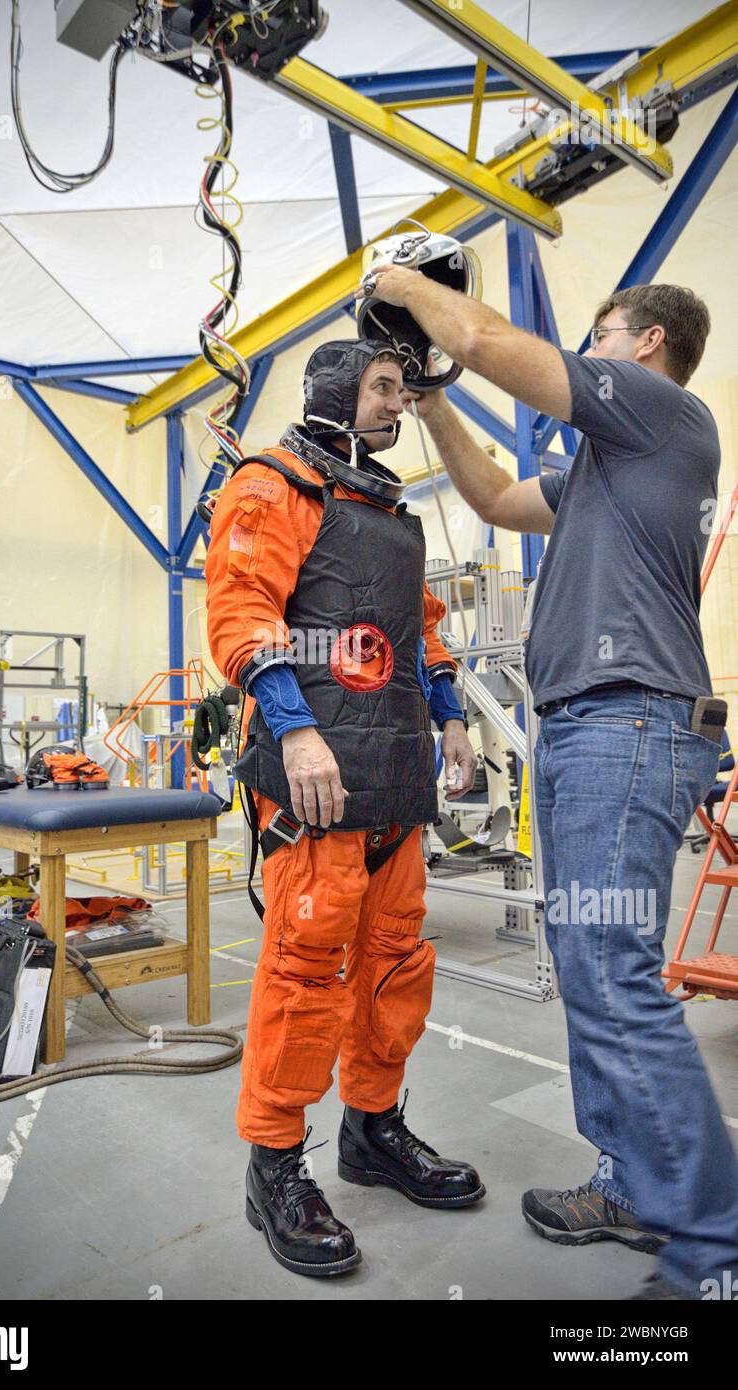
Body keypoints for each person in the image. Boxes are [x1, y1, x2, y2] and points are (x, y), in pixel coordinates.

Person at [362, 264, 738, 1301]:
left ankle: (717, 1249)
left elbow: (488, 339)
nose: (590, 349)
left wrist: (401, 283)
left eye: (601, 335)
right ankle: (632, 1183)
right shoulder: (597, 475)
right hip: (583, 727)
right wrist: (430, 397)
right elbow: (486, 494)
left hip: (629, 719)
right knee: (591, 976)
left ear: (646, 342)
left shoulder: (664, 414)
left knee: (613, 975)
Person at [204, 338, 484, 1277]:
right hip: (313, 784)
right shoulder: (270, 484)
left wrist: (450, 720)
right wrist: (291, 728)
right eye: (380, 388)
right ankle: (275, 1166)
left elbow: (423, 636)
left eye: (401, 391)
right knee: (302, 972)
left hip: (396, 782)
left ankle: (371, 1131)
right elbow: (242, 613)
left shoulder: (390, 511)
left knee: (396, 963)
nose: (396, 405)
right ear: (331, 390)